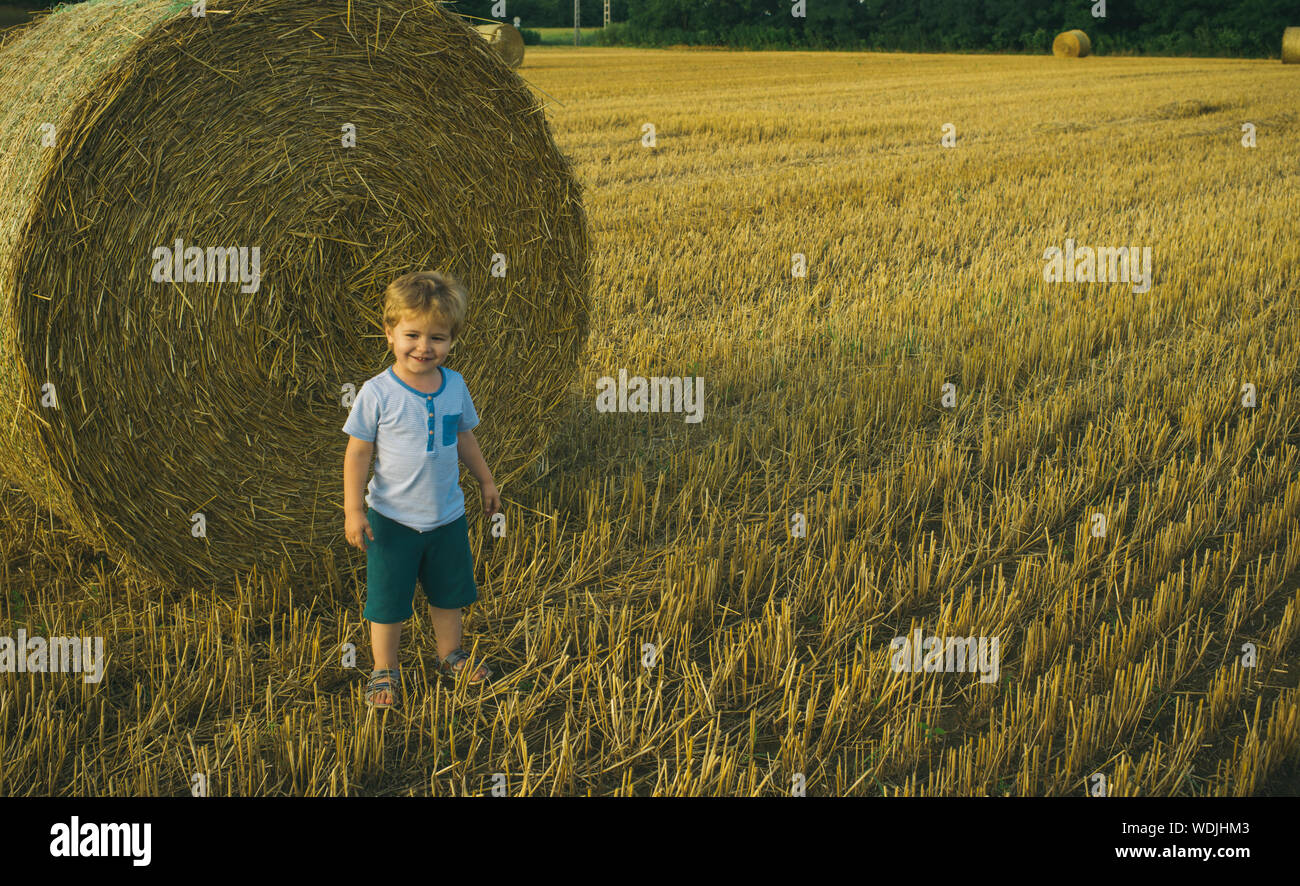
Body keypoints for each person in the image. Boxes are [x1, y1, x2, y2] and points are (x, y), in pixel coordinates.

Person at [342, 270, 500, 708]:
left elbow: (465, 438)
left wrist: (485, 481)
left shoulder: (455, 386)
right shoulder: (377, 393)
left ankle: (450, 655)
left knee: (449, 594)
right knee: (387, 600)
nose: (424, 347)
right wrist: (354, 511)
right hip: (392, 520)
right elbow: (357, 454)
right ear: (389, 332)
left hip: (447, 516)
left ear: (452, 340)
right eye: (412, 335)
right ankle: (384, 669)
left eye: (438, 338)